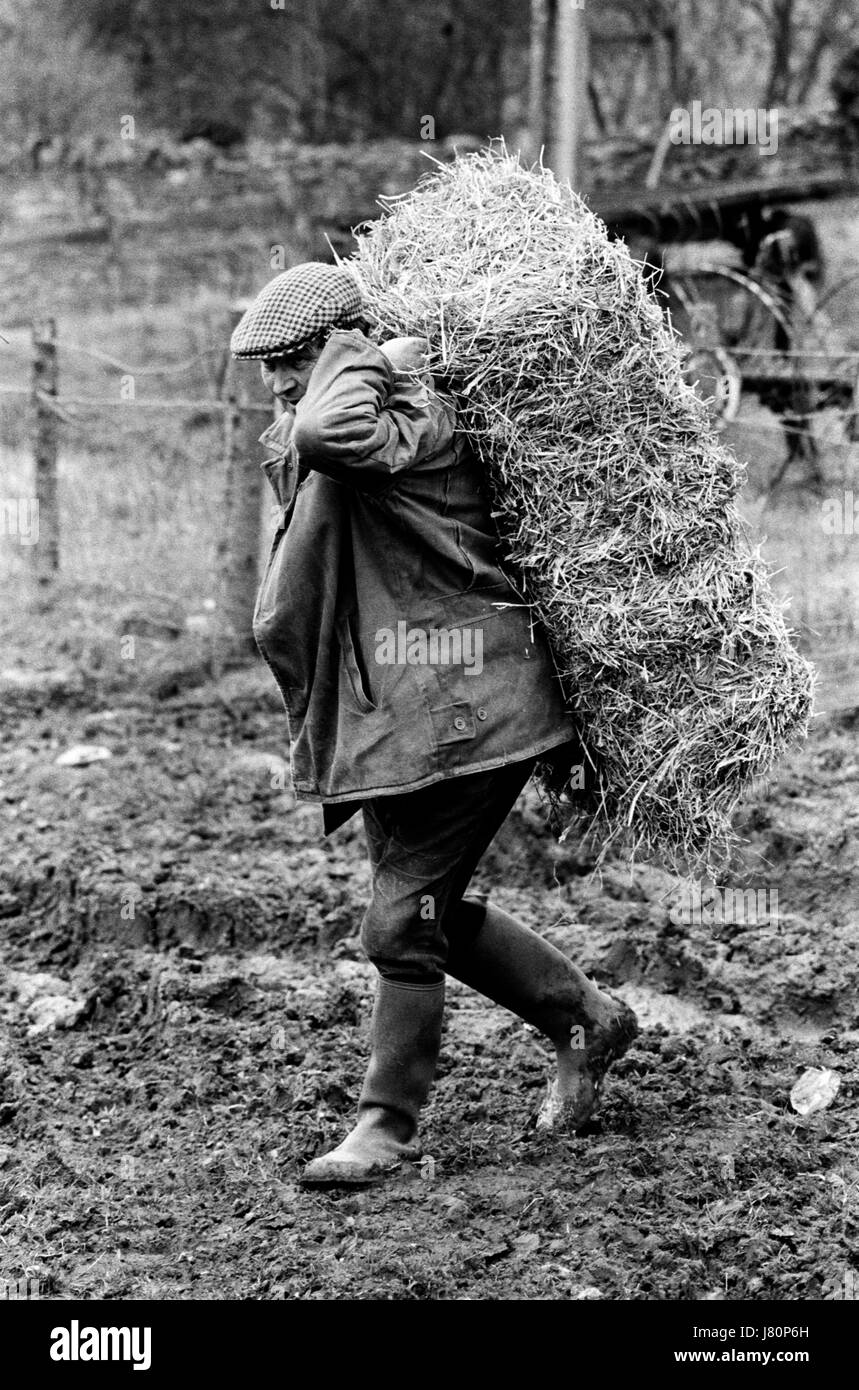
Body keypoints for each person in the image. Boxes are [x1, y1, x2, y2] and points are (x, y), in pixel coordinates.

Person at [230, 261, 638, 1186]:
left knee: (397, 926)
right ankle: (585, 1017)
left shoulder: (415, 422)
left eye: (295, 359)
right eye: (268, 369)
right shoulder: (356, 428)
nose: (282, 385)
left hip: (471, 711)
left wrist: (367, 361)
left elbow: (329, 427)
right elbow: (308, 446)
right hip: (399, 720)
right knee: (425, 910)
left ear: (347, 346)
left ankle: (386, 1128)